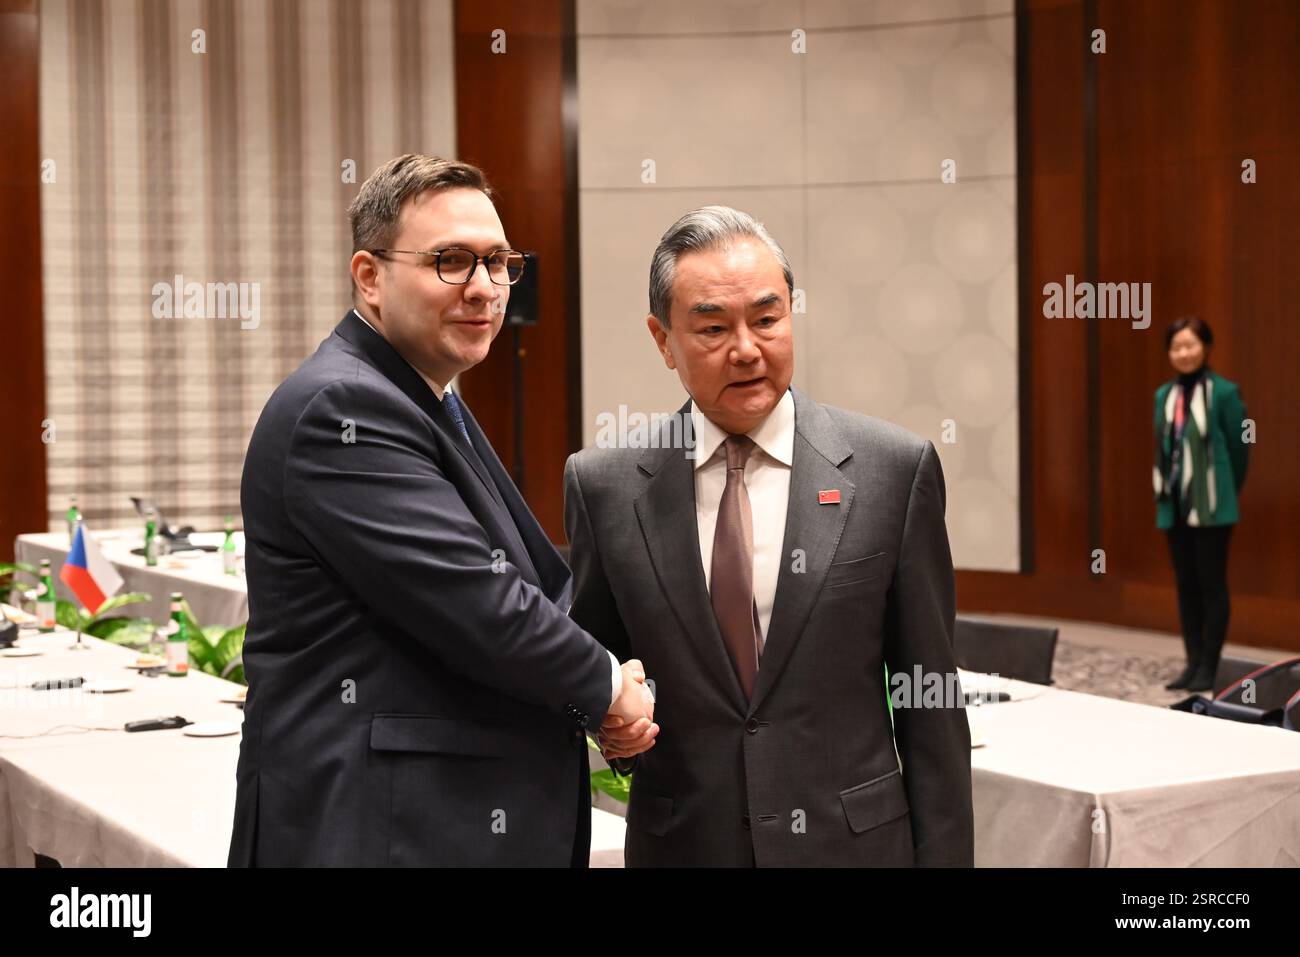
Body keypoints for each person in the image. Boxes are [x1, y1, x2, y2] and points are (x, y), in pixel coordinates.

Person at [228, 155, 653, 866]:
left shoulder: (423, 396)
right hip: (382, 830)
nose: (485, 288)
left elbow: (528, 585)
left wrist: (602, 688)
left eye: (498, 262)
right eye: (451, 261)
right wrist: (612, 688)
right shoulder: (345, 408)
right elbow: (480, 602)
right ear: (369, 277)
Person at [564, 206, 973, 866]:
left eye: (767, 317)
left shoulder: (893, 470)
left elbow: (932, 700)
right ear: (663, 339)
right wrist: (611, 717)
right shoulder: (604, 486)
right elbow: (590, 669)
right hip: (685, 845)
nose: (747, 347)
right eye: (713, 327)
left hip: (854, 847)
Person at [1154, 315, 1249, 692]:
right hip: (1175, 503)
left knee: (1212, 584)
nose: (1184, 353)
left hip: (1212, 506)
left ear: (1206, 347)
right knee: (1185, 584)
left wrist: (1223, 491)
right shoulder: (1164, 396)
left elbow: (1240, 451)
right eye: (1176, 347)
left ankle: (1211, 665)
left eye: (1190, 345)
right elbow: (1163, 448)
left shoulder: (1225, 393)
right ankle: (1192, 663)